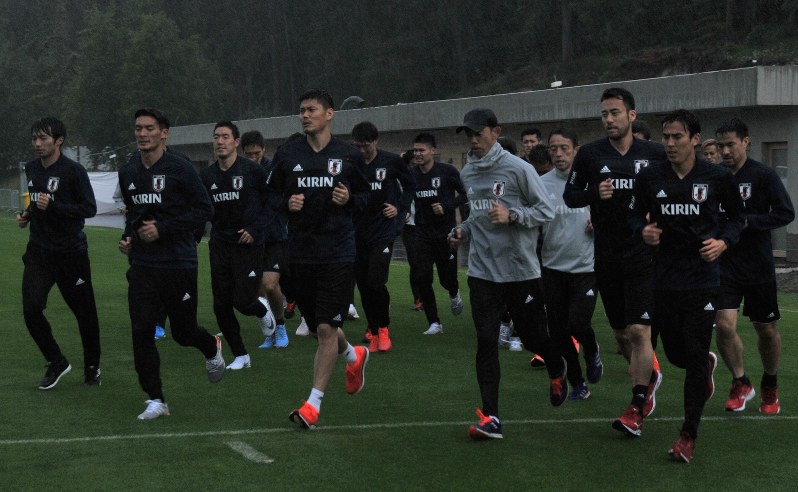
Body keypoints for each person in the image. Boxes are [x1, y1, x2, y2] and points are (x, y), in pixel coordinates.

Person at [630, 109, 743, 462]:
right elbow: (634, 214)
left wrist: (723, 241)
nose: (670, 143)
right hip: (663, 277)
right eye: (665, 137)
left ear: (695, 139)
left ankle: (687, 435)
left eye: (677, 136)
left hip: (702, 280)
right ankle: (704, 365)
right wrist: (642, 230)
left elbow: (737, 217)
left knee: (692, 356)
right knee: (677, 354)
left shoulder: (717, 177)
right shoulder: (651, 177)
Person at [449, 108, 565, 440]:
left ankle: (557, 368)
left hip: (520, 272)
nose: (472, 140)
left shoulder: (519, 168)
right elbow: (477, 217)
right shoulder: (469, 171)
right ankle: (491, 417)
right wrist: (462, 231)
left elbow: (546, 211)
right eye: (467, 134)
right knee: (486, 341)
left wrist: (512, 215)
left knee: (532, 338)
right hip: (482, 273)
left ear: (495, 132)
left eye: (478, 133)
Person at [563, 87, 667, 436]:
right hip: (606, 256)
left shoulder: (654, 154)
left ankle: (636, 405)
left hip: (643, 254)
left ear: (631, 116)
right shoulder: (591, 155)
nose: (609, 119)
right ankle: (650, 376)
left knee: (639, 330)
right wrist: (596, 194)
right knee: (622, 333)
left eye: (615, 113)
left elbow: (674, 189)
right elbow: (571, 196)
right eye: (604, 114)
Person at [267, 89, 370, 429]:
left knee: (327, 327)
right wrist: (287, 205)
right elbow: (268, 198)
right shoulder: (287, 154)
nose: (305, 115)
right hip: (300, 253)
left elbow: (367, 198)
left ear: (329, 114)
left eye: (311, 109)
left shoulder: (348, 156)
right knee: (319, 328)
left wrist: (349, 198)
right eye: (301, 110)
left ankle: (312, 405)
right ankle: (354, 356)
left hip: (338, 252)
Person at [118, 108, 224, 420]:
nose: (142, 134)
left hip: (178, 262)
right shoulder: (129, 171)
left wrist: (163, 229)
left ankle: (211, 347)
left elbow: (205, 209)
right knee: (141, 330)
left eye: (149, 128)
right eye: (138, 128)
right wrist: (128, 238)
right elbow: (134, 215)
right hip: (143, 264)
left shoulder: (180, 168)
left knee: (183, 332)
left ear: (164, 133)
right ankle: (156, 398)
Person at [713, 118, 795, 415]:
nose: (725, 151)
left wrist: (751, 221)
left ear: (745, 142)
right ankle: (740, 381)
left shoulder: (764, 176)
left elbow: (786, 213)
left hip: (758, 265)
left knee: (766, 329)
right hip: (725, 263)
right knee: (723, 326)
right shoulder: (715, 176)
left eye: (730, 145)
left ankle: (770, 384)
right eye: (720, 145)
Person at [18, 117, 101, 389]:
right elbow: (37, 203)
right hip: (39, 253)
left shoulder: (74, 171)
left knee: (84, 313)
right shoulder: (32, 169)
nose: (37, 144)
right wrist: (28, 214)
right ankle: (57, 361)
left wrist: (54, 207)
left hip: (70, 254)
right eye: (34, 139)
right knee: (31, 309)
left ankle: (92, 368)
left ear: (59, 140)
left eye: (43, 138)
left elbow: (88, 209)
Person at [201, 122, 273, 369]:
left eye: (225, 137)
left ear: (235, 142)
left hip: (248, 244)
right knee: (221, 305)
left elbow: (272, 202)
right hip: (220, 244)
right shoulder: (207, 175)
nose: (220, 141)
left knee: (243, 301)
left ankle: (262, 310)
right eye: (216, 137)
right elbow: (201, 210)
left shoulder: (252, 171)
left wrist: (255, 229)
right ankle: (241, 355)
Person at [540, 128, 602, 401]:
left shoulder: (591, 182)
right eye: (553, 148)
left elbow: (610, 215)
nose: (558, 153)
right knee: (558, 332)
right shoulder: (540, 184)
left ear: (576, 149)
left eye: (564, 148)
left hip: (585, 268)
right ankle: (578, 383)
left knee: (577, 324)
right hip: (552, 268)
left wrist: (598, 222)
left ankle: (591, 348)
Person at [351, 121, 415, 352]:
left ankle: (383, 329)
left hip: (383, 231)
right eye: (357, 146)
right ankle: (374, 329)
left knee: (376, 282)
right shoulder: (351, 163)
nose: (361, 150)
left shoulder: (391, 161)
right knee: (364, 285)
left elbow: (410, 185)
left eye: (365, 146)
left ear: (376, 141)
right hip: (357, 232)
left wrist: (398, 206)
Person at [411, 133, 467, 334]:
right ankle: (434, 322)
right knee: (422, 277)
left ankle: (454, 292)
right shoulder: (412, 174)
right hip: (422, 234)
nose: (418, 154)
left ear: (432, 151)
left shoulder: (447, 171)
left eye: (422, 150)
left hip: (445, 234)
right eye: (416, 150)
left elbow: (465, 194)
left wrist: (446, 205)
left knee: (447, 278)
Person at [240, 130, 286, 348]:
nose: (253, 159)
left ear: (264, 150)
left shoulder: (273, 170)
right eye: (249, 155)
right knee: (257, 289)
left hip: (274, 237)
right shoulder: (239, 172)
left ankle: (281, 324)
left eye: (257, 154)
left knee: (269, 284)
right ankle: (270, 331)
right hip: (251, 239)